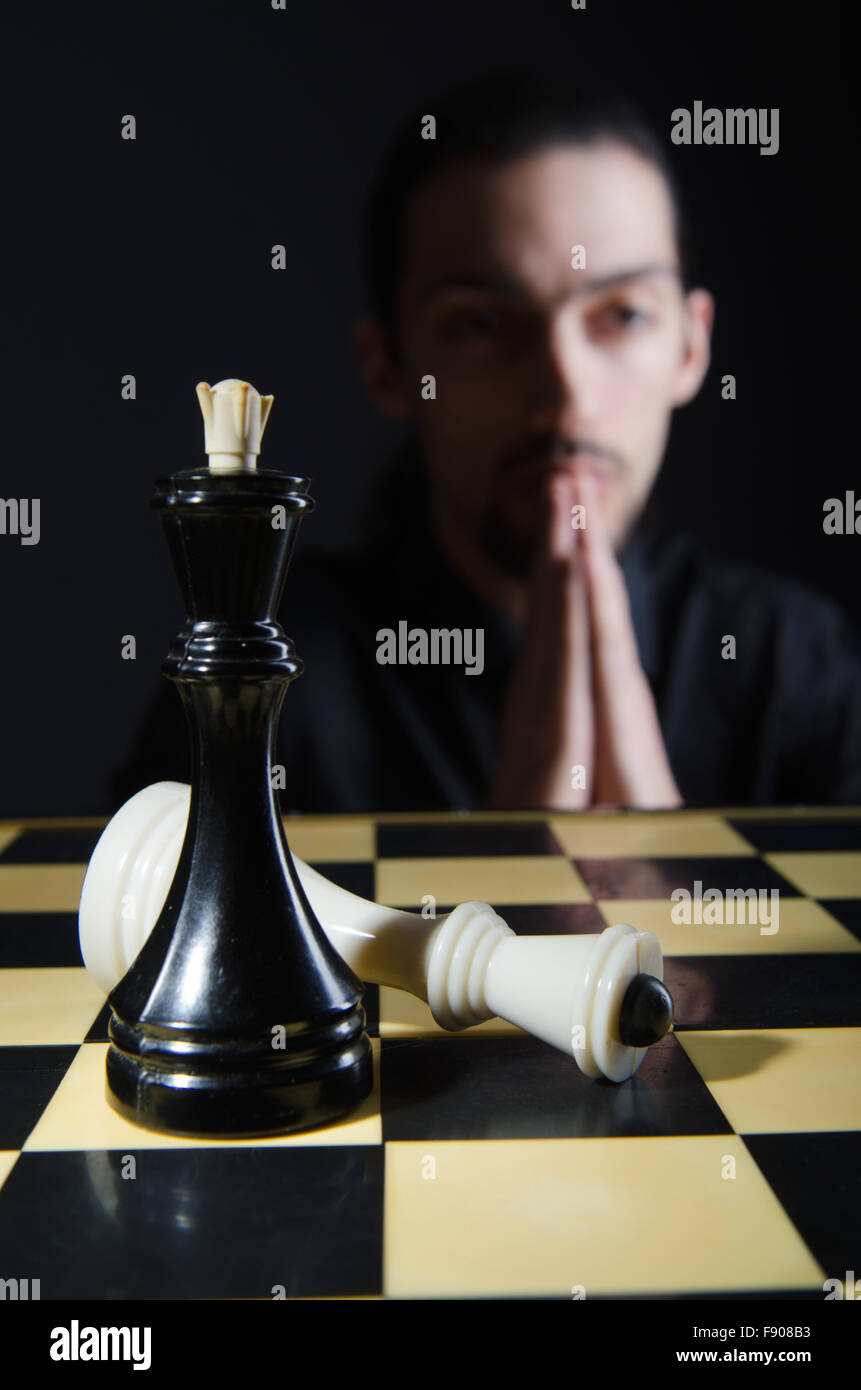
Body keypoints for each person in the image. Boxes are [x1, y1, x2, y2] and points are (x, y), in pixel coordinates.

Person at [110, 68, 861, 813]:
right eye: (480, 325)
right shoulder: (261, 678)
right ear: (390, 368)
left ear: (691, 349)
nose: (566, 397)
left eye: (622, 315)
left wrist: (663, 861)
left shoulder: (793, 664)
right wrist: (507, 872)